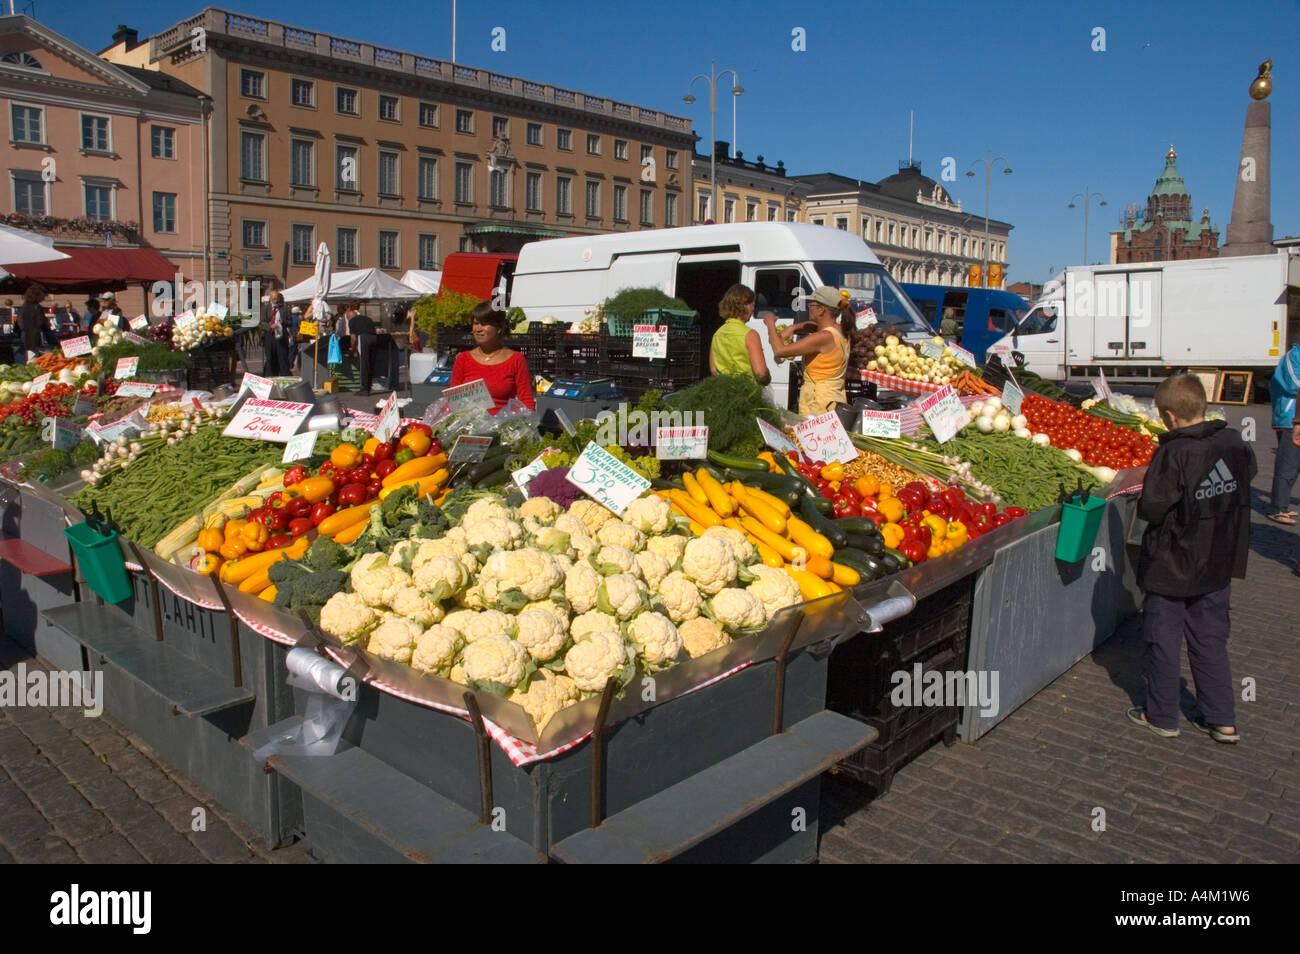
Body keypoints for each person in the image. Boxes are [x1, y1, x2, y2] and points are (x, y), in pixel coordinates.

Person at [1127, 373, 1254, 743]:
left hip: (1173, 561)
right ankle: (1222, 718)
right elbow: (1249, 475)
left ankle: (1162, 715)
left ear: (1168, 416)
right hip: (1218, 559)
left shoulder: (1174, 451)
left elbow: (1153, 506)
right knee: (1211, 637)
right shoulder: (1233, 440)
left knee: (1162, 636)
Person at [762, 285, 853, 416]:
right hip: (833, 398)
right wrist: (794, 328)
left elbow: (780, 351)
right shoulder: (840, 329)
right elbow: (814, 326)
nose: (809, 307)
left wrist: (770, 324)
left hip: (818, 404)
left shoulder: (823, 337)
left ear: (821, 310)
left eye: (812, 304)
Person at [449, 301, 535, 413]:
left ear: (499, 328)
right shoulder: (463, 359)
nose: (478, 329)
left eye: (484, 324)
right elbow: (453, 402)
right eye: (476, 323)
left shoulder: (516, 359)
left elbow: (526, 400)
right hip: (469, 427)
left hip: (502, 426)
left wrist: (528, 424)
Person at [1266, 335, 1300, 525]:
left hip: (1295, 418)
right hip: (1290, 418)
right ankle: (1277, 507)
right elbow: (1294, 383)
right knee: (1288, 464)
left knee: (1295, 466)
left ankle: (1283, 505)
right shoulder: (1294, 356)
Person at [709, 283, 770, 385]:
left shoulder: (717, 334)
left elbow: (713, 370)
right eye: (752, 305)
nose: (753, 309)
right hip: (747, 394)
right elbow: (761, 374)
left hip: (724, 392)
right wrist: (768, 378)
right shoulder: (750, 335)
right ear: (743, 306)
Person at [345, 300, 378, 395]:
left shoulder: (352, 321)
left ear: (350, 316)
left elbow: (353, 338)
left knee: (363, 364)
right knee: (370, 363)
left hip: (364, 338)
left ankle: (364, 389)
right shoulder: (367, 318)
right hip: (374, 338)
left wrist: (353, 349)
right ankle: (369, 386)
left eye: (348, 318)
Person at [261, 291, 290, 377]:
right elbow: (261, 322)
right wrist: (270, 326)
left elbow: (290, 321)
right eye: (273, 298)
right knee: (270, 358)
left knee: (282, 357)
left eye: (276, 298)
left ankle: (284, 376)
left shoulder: (285, 308)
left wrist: (283, 322)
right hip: (270, 335)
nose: (275, 300)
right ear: (270, 298)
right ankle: (269, 376)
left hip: (281, 336)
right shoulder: (266, 308)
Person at [18, 284, 46, 362]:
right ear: (36, 295)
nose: (44, 297)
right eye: (42, 295)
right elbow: (35, 324)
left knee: (33, 359)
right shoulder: (32, 307)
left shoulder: (30, 306)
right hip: (31, 339)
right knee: (32, 359)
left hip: (30, 339)